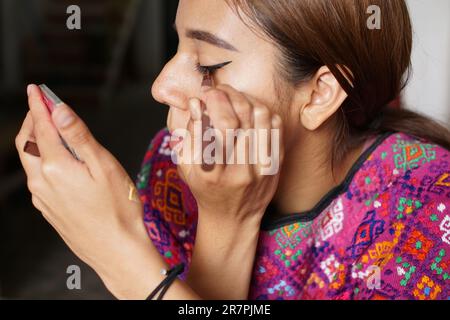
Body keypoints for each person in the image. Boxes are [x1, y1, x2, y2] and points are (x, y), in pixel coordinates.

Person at [16, 0, 450, 300]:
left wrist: (118, 253)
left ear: (320, 93)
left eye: (207, 65)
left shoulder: (426, 204)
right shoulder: (174, 166)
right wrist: (226, 221)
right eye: (176, 48)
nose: (161, 86)